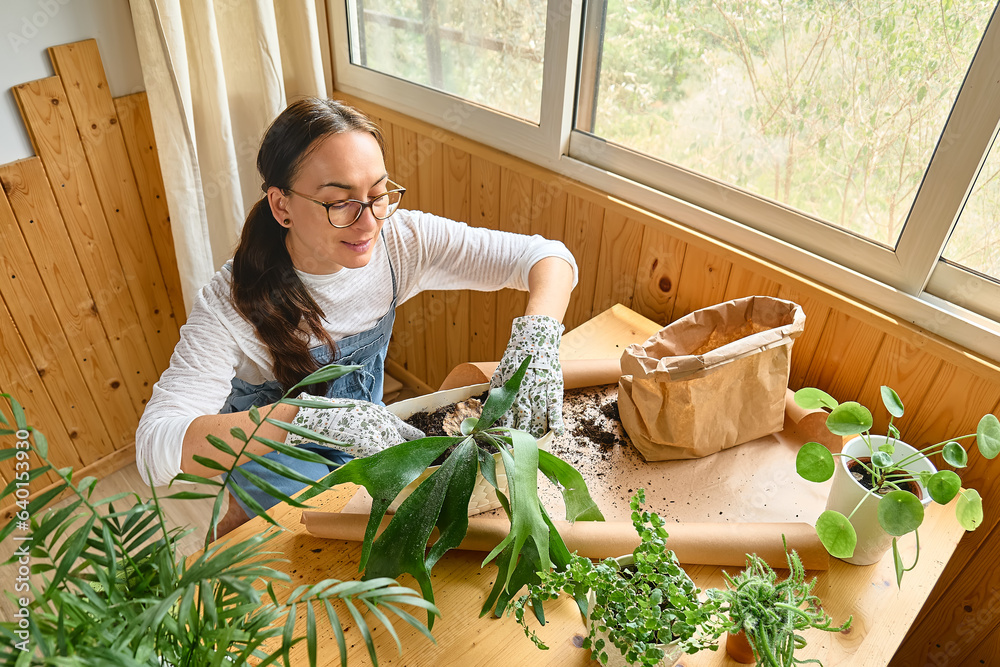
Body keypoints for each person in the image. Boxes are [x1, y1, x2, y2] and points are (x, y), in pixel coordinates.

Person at [136, 98, 577, 537]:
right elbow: (156, 446)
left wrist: (537, 340)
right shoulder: (227, 305)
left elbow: (547, 256)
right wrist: (303, 418)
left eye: (378, 194)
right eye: (339, 202)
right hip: (274, 485)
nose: (368, 223)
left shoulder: (401, 243)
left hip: (363, 456)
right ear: (281, 205)